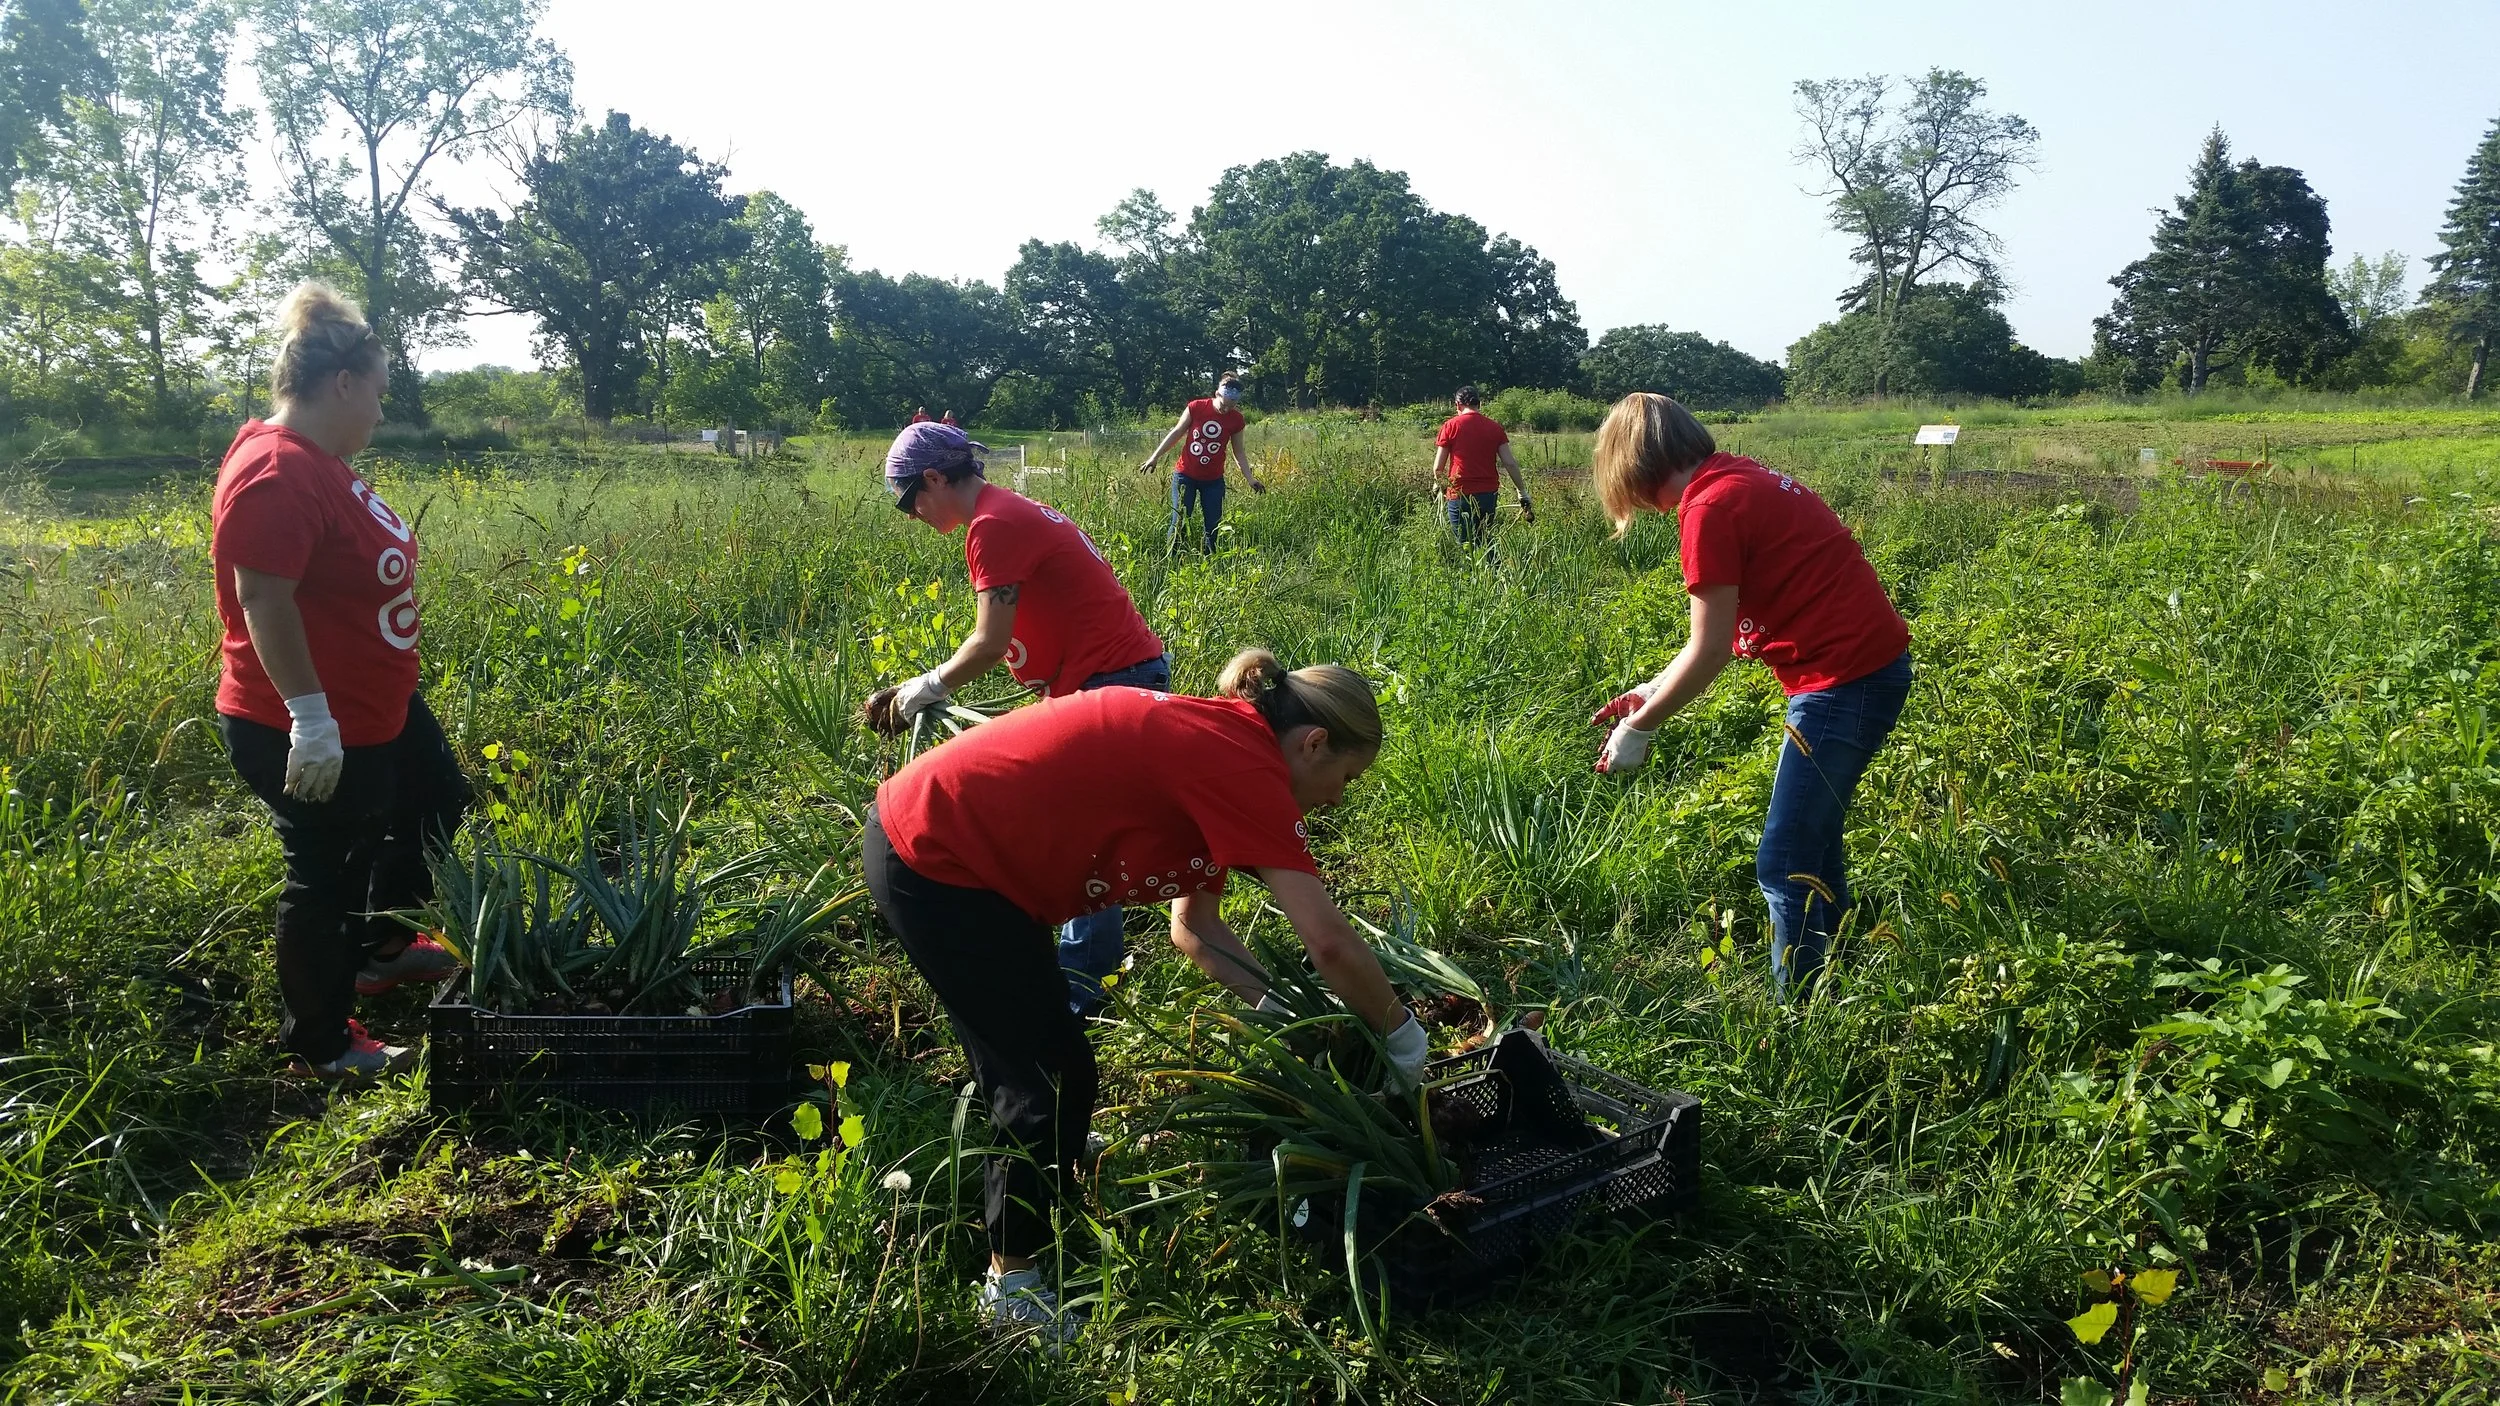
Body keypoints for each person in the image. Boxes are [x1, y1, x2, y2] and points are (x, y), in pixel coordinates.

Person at [863, 647, 1428, 1343]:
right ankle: (1010, 1288)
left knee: (1046, 1063)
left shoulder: (1227, 752)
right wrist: (1401, 1034)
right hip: (940, 855)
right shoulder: (1241, 763)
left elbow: (1194, 929)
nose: (1340, 796)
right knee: (1045, 1079)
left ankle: (1055, 1162)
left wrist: (1280, 1012)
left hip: (981, 861)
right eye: (1347, 776)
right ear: (1314, 743)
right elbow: (1331, 944)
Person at [210, 282, 471, 1078]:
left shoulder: (318, 461)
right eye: (380, 396)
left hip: (377, 702)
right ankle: (320, 1041)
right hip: (312, 722)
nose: (382, 414)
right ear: (344, 383)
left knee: (436, 800)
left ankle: (381, 950)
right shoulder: (277, 472)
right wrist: (311, 717)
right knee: (328, 873)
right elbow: (261, 596)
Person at [1587, 392, 1911, 999]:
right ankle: (1835, 975)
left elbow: (1708, 651)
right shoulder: (1741, 477)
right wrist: (1652, 689)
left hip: (1844, 682)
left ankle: (1801, 1010)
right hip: (1866, 669)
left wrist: (1640, 729)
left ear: (1635, 465)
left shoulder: (1709, 507)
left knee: (1785, 857)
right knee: (1812, 838)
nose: (1643, 508)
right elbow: (1730, 628)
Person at [874, 422, 1172, 1014]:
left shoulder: (994, 525)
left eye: (910, 499)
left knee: (1081, 833)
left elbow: (989, 642)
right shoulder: (1005, 512)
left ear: (934, 477)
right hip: (1099, 681)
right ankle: (1087, 965)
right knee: (1083, 826)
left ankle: (1084, 989)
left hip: (1109, 685)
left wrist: (926, 687)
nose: (911, 514)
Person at [1138, 373, 1266, 553]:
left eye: (1232, 406)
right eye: (1224, 405)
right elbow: (1176, 433)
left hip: (1213, 481)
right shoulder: (1196, 407)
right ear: (1217, 394)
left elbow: (1239, 452)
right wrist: (1154, 457)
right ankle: (1172, 560)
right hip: (1185, 476)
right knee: (1180, 521)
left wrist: (1250, 479)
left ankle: (1210, 561)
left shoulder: (1237, 420)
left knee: (1213, 525)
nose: (1226, 410)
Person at [1432, 385, 1535, 545]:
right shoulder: (1495, 427)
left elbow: (1438, 468)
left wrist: (1440, 486)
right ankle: (1493, 569)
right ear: (1479, 405)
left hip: (1459, 494)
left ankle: (1470, 569)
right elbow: (1510, 463)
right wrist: (1522, 492)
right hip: (1487, 494)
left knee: (1464, 544)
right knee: (1485, 541)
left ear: (1458, 405)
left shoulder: (1450, 426)